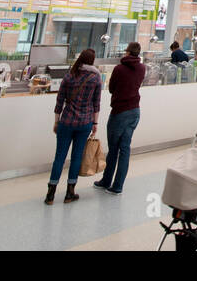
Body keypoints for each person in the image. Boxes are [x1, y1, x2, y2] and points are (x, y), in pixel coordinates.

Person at [45, 48, 101, 204]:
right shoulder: (95, 78)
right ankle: (70, 192)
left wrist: (56, 121)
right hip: (85, 122)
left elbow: (59, 102)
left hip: (67, 121)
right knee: (77, 158)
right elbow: (96, 104)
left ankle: (51, 192)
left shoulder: (69, 76)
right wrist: (95, 123)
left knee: (59, 158)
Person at [95, 41, 145, 194]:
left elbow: (111, 88)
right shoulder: (142, 68)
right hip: (135, 110)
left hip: (120, 111)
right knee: (125, 149)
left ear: (128, 52)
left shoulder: (119, 69)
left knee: (113, 149)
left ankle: (106, 180)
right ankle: (118, 186)